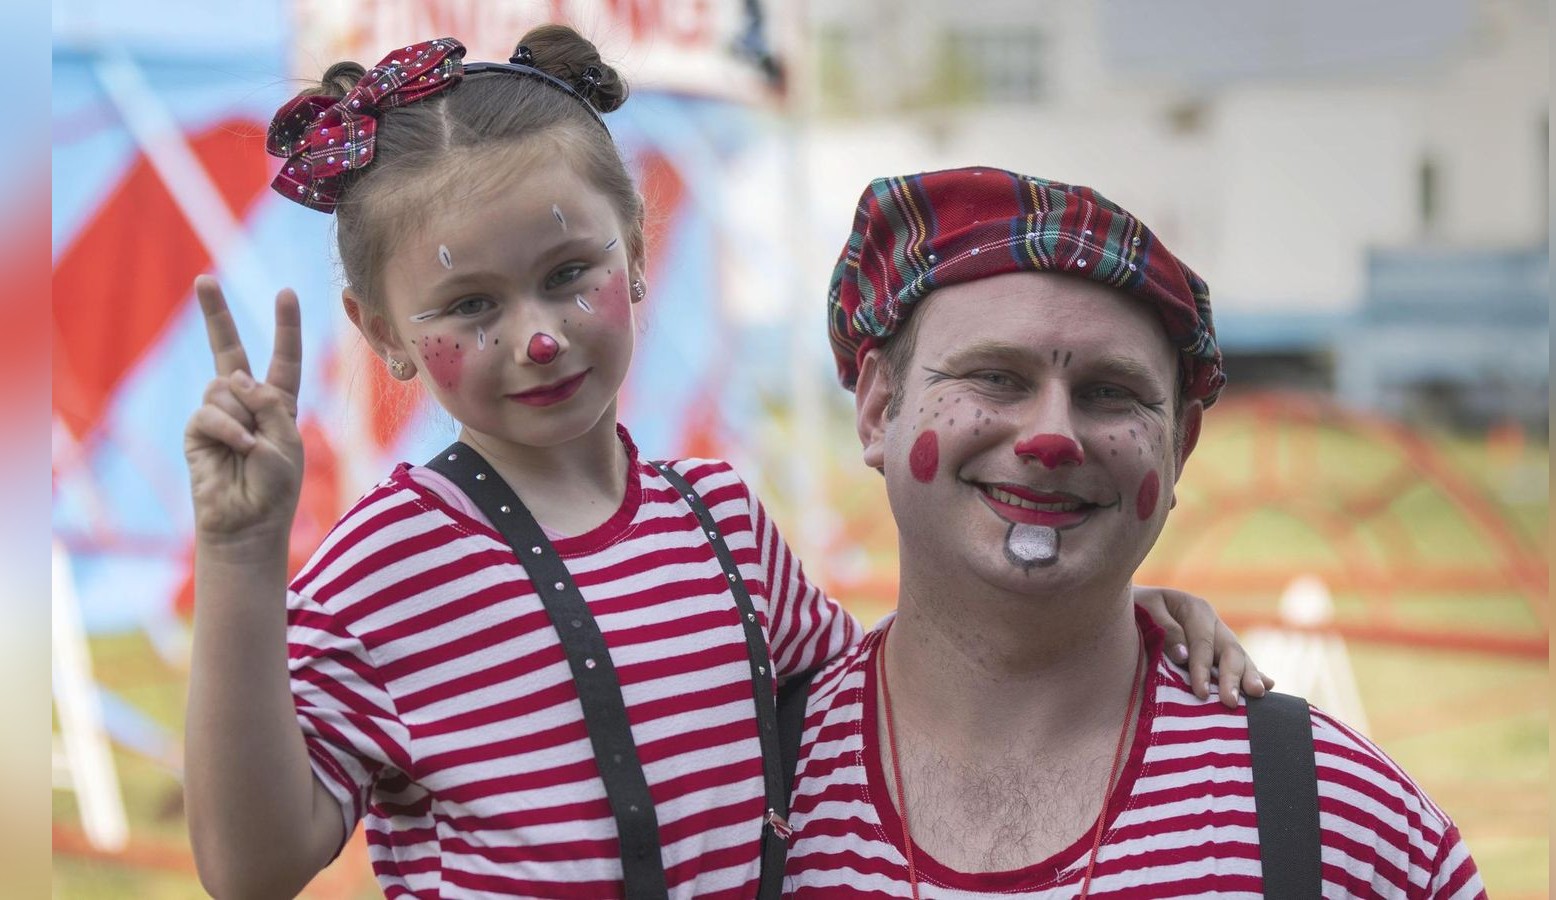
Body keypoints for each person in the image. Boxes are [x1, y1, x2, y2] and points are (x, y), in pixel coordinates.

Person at [180, 28, 1268, 899]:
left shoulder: (724, 527)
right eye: (473, 305)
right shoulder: (383, 570)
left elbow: (882, 705)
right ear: (383, 335)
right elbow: (253, 868)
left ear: (639, 256)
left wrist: (1113, 619)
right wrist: (238, 556)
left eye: (569, 273)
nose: (540, 334)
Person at [782, 167, 1487, 898]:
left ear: (1179, 446)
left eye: (1109, 393)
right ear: (878, 408)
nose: (1051, 439)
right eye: (995, 377)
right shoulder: (742, 786)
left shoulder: (1354, 834)